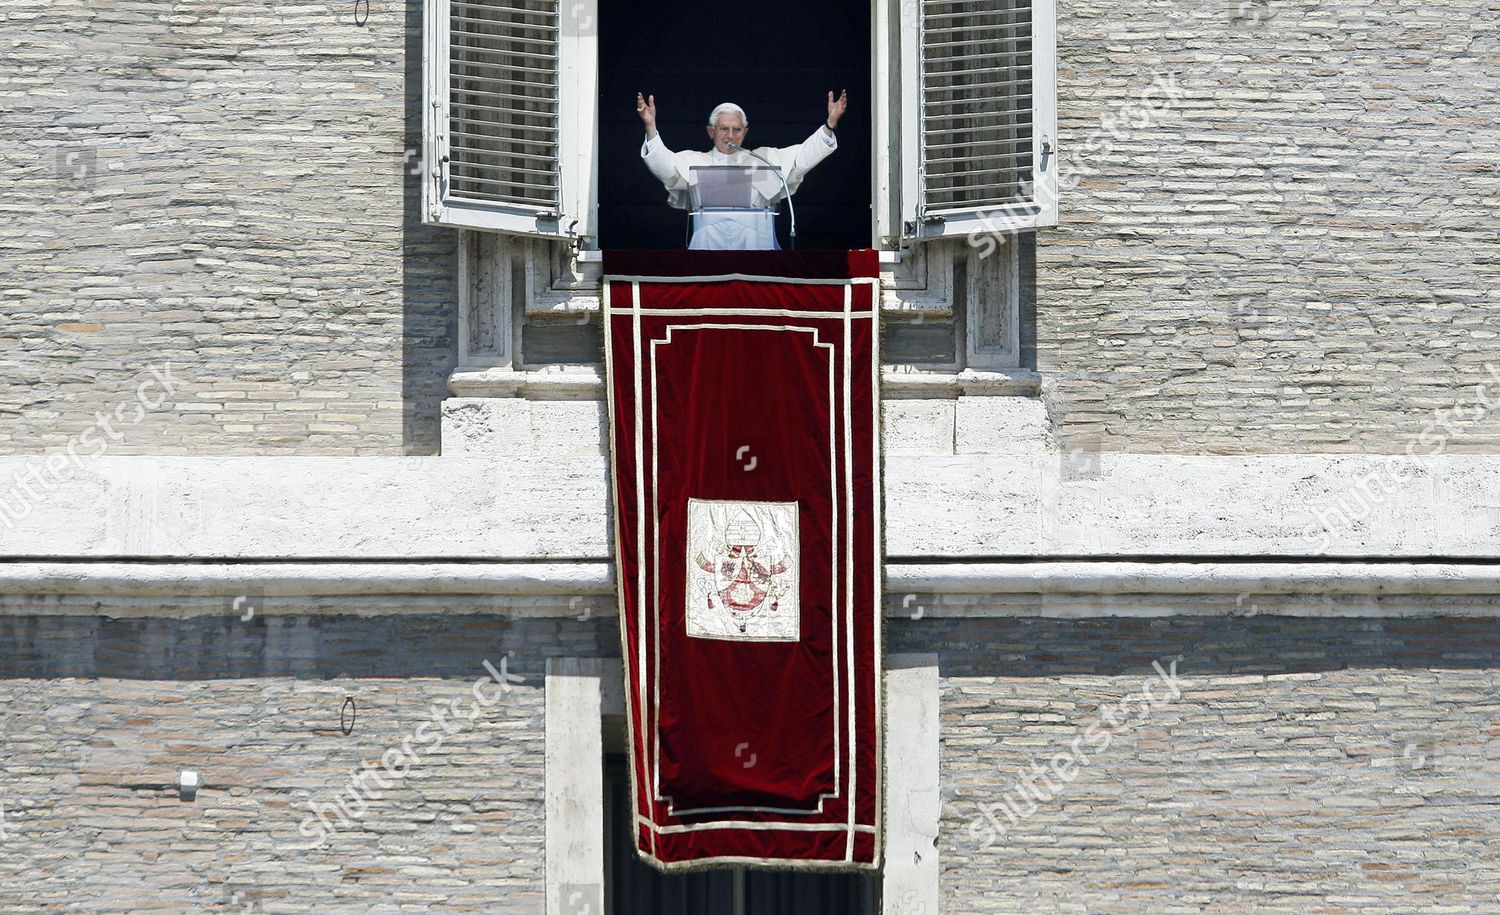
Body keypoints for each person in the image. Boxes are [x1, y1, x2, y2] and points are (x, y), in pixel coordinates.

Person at [636, 91, 847, 250]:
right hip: (707, 250)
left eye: (736, 130)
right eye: (723, 129)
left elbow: (802, 158)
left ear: (744, 133)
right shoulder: (695, 161)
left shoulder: (763, 160)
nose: (730, 135)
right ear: (711, 132)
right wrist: (650, 127)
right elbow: (665, 167)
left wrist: (829, 125)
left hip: (757, 250)